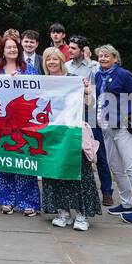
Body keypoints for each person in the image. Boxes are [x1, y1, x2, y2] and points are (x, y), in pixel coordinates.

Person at [39, 48, 102, 231]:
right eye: (48, 59)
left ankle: (81, 214)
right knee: (55, 171)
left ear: (60, 60)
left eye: (54, 59)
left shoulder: (74, 79)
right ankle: (63, 211)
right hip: (51, 133)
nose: (51, 62)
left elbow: (90, 104)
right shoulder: (42, 82)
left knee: (77, 171)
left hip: (72, 132)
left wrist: (87, 90)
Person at [94, 44, 132, 224]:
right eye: (100, 56)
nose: (102, 58)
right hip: (106, 126)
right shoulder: (98, 75)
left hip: (124, 127)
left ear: (115, 58)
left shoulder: (124, 75)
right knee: (116, 167)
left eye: (106, 56)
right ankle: (127, 204)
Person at [0, 31, 40, 216]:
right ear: (2, 50)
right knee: (3, 161)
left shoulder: (28, 68)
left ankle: (28, 202)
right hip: (2, 123)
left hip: (23, 123)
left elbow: (39, 91)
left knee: (25, 163)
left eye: (14, 47)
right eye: (8, 47)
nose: (11, 49)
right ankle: (6, 200)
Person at [66, 35, 113, 208]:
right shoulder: (66, 66)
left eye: (73, 48)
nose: (69, 51)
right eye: (69, 48)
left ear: (83, 50)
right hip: (72, 113)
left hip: (90, 114)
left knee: (98, 152)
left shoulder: (94, 68)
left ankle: (107, 191)